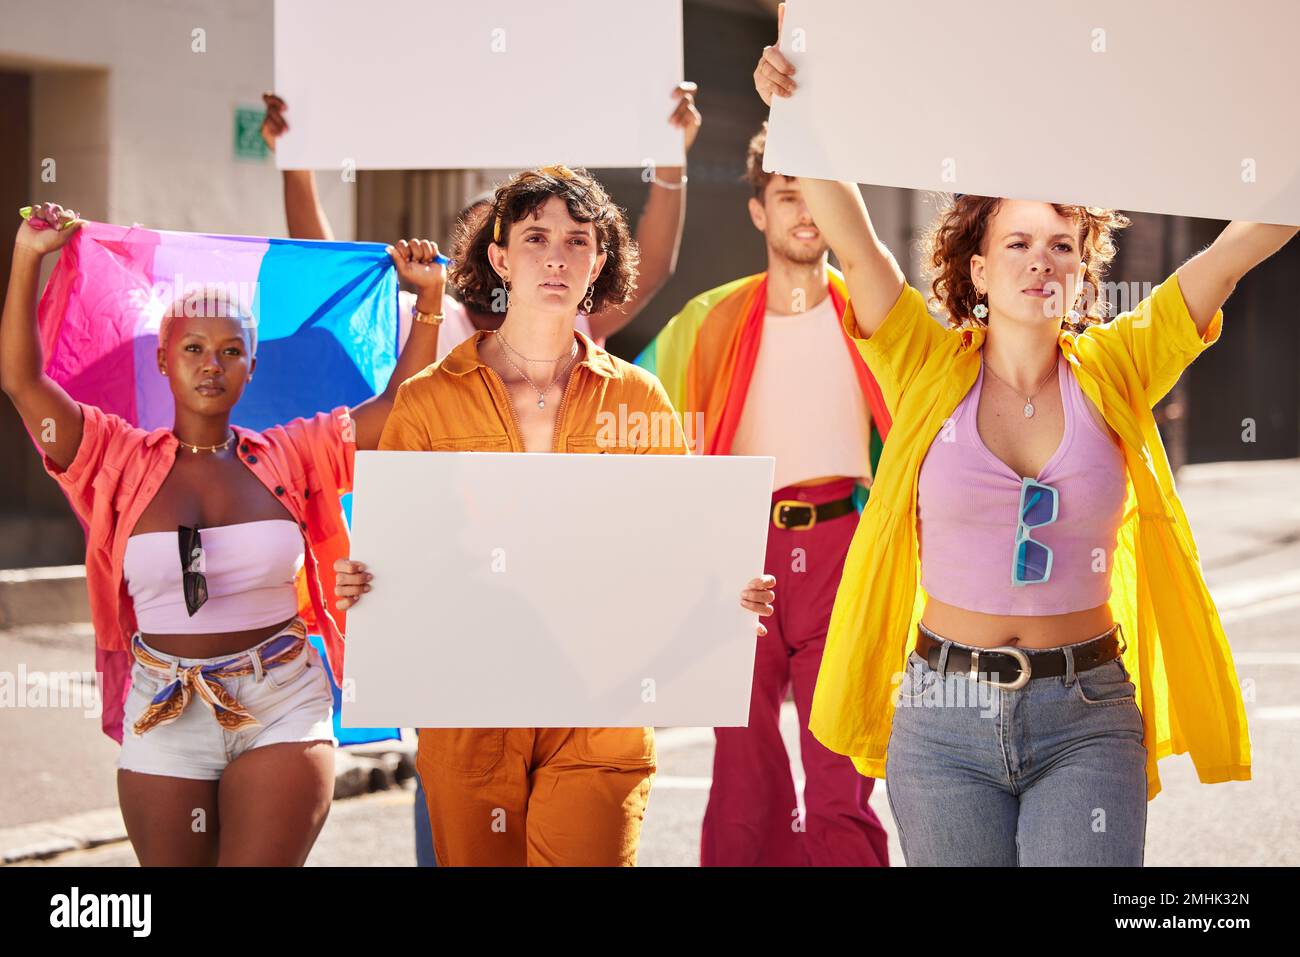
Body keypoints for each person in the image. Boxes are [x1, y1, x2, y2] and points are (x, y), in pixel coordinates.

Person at [754, 3, 1298, 865]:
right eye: (1018, 241)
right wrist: (796, 103)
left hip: (1086, 718)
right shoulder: (925, 363)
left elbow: (1237, 249)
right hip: (940, 721)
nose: (1042, 259)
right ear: (976, 266)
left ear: (1083, 268)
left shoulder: (1120, 366)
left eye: (1063, 244)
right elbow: (854, 243)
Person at [334, 165, 777, 866]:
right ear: (501, 257)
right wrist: (365, 583)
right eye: (536, 236)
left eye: (578, 241)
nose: (557, 256)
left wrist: (729, 589)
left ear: (598, 261)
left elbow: (679, 546)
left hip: (599, 711)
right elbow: (400, 553)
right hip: (468, 710)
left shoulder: (640, 399)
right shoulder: (425, 399)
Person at [0, 202, 447, 866]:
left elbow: (397, 410)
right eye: (194, 348)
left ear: (251, 367)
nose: (212, 364)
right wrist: (29, 255)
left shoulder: (293, 453)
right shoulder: (113, 458)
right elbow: (21, 381)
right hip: (164, 708)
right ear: (162, 359)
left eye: (231, 350)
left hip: (283, 701)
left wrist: (430, 298)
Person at [635, 123, 891, 867]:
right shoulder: (707, 320)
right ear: (758, 211)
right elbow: (629, 421)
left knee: (840, 776)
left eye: (817, 195)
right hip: (739, 556)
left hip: (846, 547)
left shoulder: (875, 317)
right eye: (786, 195)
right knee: (744, 776)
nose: (805, 211)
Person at [261, 85, 702, 352]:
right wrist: (296, 166)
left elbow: (652, 269)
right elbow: (329, 273)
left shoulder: (568, 315)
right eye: (481, 238)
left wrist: (670, 161)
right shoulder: (425, 323)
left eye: (532, 238)